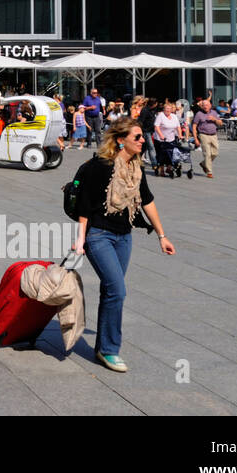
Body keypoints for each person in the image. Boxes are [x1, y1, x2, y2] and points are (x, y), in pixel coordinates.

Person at [71, 117, 176, 373]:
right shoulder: (102, 166)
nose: (142, 141)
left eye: (142, 137)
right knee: (117, 290)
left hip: (124, 236)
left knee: (111, 290)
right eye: (137, 137)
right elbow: (85, 204)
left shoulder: (136, 167)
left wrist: (162, 235)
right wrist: (80, 238)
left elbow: (147, 200)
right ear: (120, 140)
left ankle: (102, 347)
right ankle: (109, 350)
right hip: (99, 235)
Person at [191, 98, 222, 178]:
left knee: (215, 153)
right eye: (204, 105)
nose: (205, 107)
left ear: (210, 105)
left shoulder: (214, 112)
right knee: (207, 154)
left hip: (214, 135)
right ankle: (209, 172)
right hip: (203, 135)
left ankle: (203, 164)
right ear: (201, 106)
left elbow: (220, 123)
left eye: (207, 105)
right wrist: (196, 139)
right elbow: (194, 126)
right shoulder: (199, 114)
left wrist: (214, 119)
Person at [152, 100, 181, 177]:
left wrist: (180, 135)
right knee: (161, 154)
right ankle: (161, 170)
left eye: (169, 109)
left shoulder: (174, 116)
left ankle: (169, 168)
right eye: (166, 109)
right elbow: (156, 126)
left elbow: (178, 127)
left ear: (172, 109)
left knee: (171, 154)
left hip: (171, 138)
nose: (168, 110)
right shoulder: (160, 116)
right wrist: (161, 135)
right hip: (160, 139)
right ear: (164, 109)